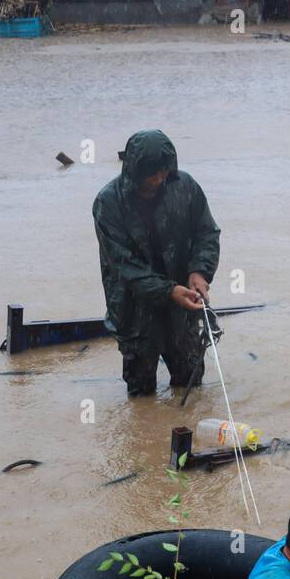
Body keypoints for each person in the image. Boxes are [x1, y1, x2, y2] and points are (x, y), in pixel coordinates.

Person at [92, 129, 221, 397]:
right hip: (134, 311)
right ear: (134, 172)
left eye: (164, 172)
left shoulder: (185, 187)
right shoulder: (108, 203)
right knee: (141, 393)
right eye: (152, 174)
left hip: (182, 309)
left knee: (190, 382)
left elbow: (206, 233)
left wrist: (199, 270)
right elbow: (125, 266)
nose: (159, 179)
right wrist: (169, 291)